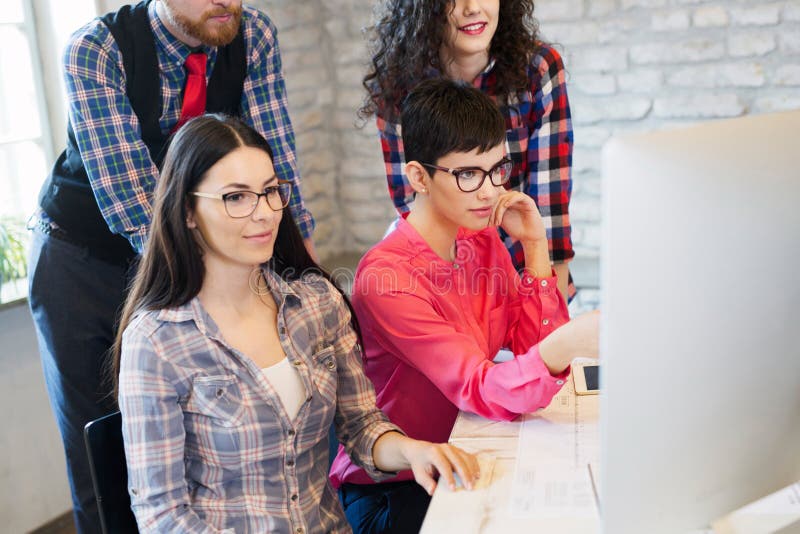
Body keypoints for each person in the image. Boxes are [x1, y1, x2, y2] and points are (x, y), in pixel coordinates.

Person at [112, 114, 479, 533]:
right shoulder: (157, 342)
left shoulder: (316, 304)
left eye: (270, 191)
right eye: (236, 197)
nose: (265, 213)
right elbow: (163, 516)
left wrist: (413, 452)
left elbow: (361, 427)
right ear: (188, 211)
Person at [26, 1, 315, 532]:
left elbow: (276, 167)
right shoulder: (96, 49)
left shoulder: (255, 35)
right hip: (82, 262)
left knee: (188, 443)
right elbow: (136, 205)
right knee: (103, 453)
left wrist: (301, 274)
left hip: (193, 253)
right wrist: (220, 287)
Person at [330, 79, 599, 534]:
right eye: (469, 174)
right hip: (396, 486)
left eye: (498, 169)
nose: (491, 191)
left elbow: (532, 348)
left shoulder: (480, 238)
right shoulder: (384, 278)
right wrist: (566, 344)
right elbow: (484, 386)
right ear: (419, 177)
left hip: (467, 445)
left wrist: (535, 246)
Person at [361, 0, 576, 301]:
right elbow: (411, 201)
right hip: (446, 276)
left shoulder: (537, 68)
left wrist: (552, 307)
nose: (472, 7)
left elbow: (550, 208)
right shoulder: (398, 82)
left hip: (526, 265)